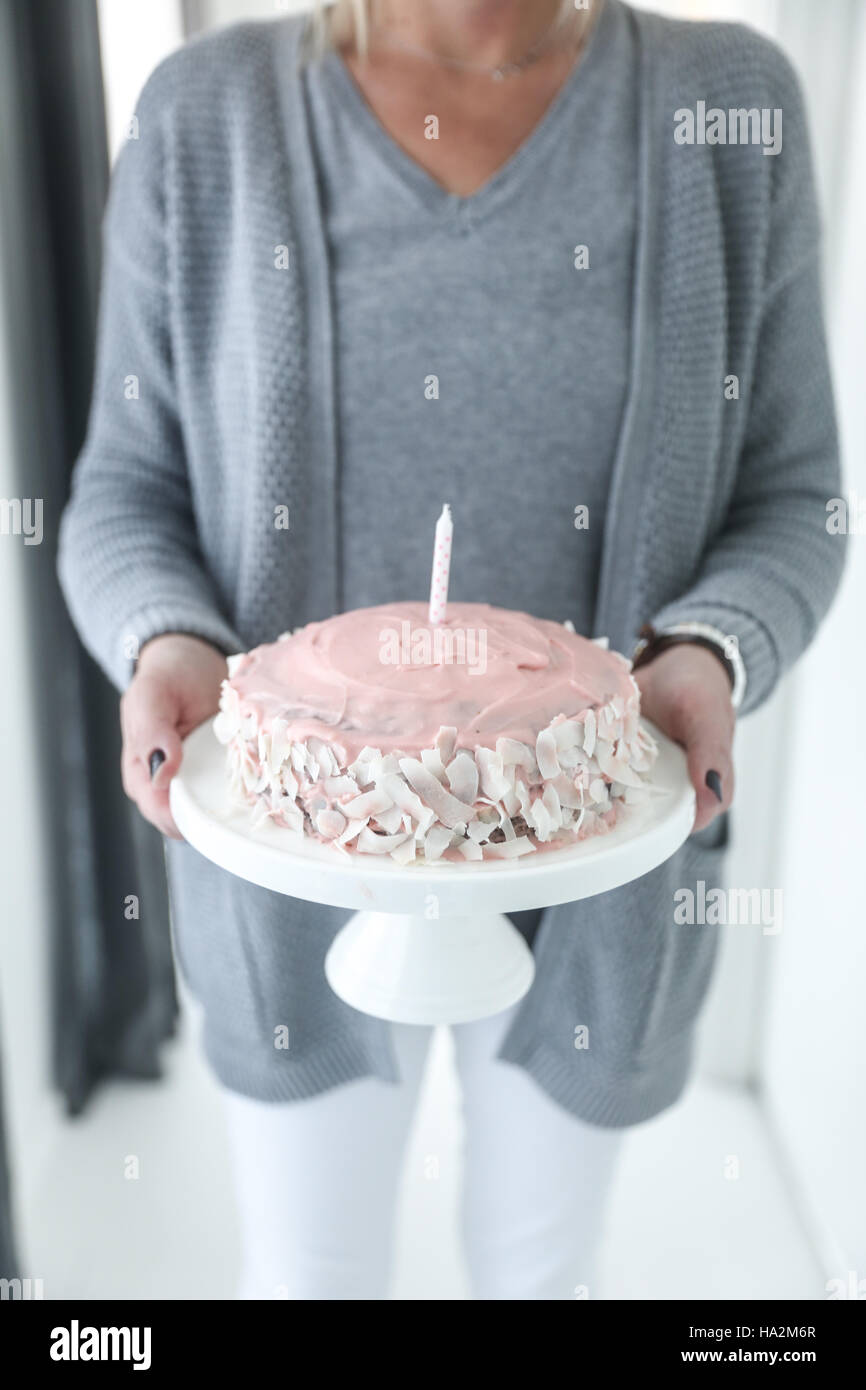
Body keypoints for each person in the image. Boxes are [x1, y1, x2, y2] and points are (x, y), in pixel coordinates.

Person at [59, 0, 843, 1299]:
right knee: (310, 1272)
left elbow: (795, 497)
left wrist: (708, 650)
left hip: (602, 864)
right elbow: (121, 491)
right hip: (286, 859)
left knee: (538, 1275)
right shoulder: (204, 116)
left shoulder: (728, 108)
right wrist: (171, 642)